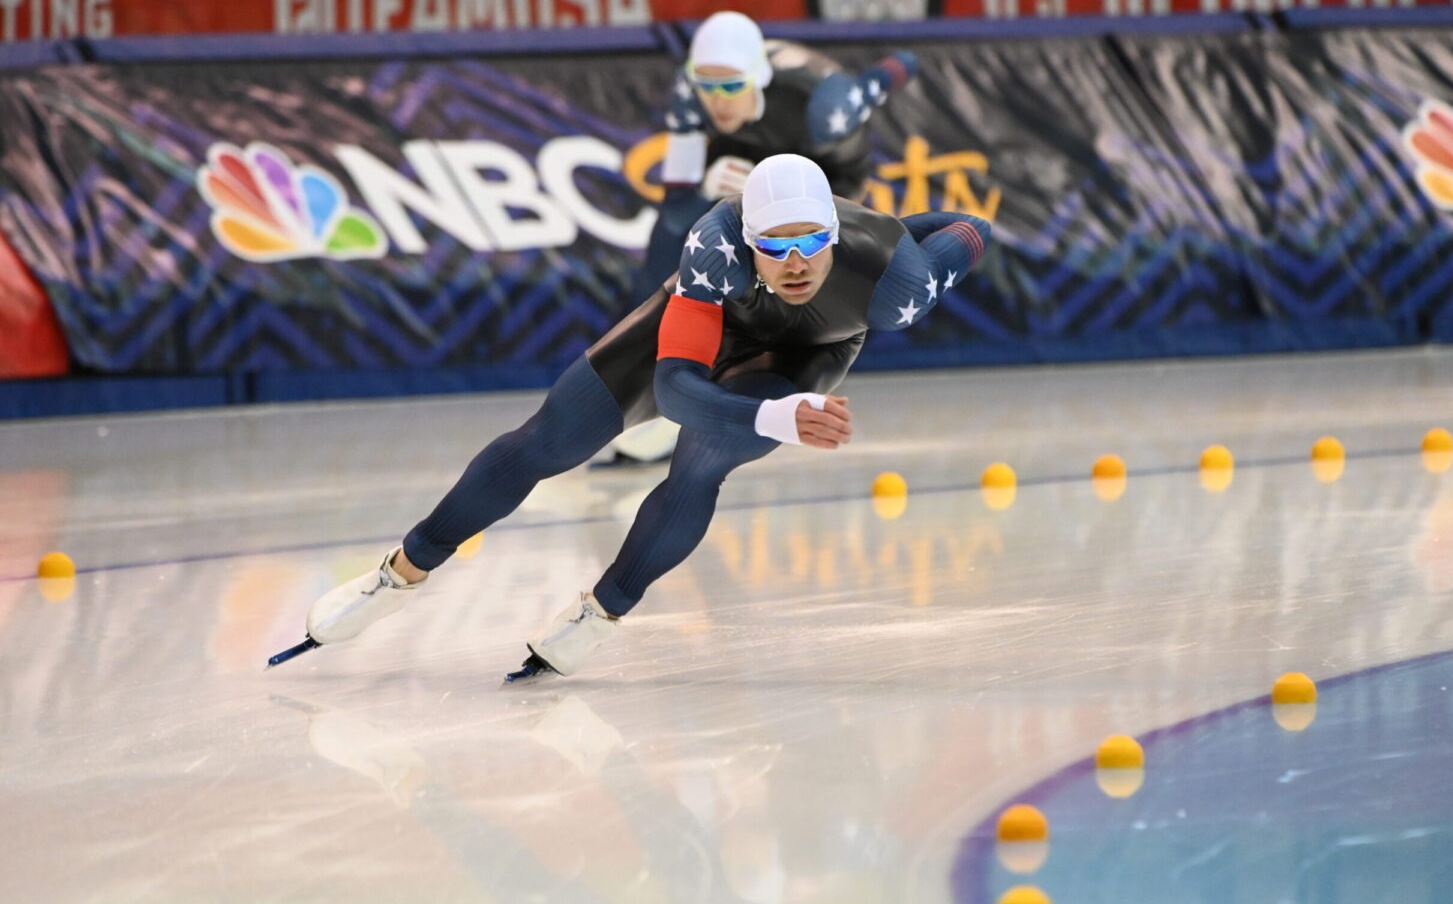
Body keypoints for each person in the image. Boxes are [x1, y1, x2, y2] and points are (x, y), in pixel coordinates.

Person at [295, 154, 990, 682]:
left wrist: (887, 237)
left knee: (703, 461)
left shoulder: (898, 287)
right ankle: (398, 574)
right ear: (748, 242)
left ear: (837, 233)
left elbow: (968, 228)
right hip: (710, 321)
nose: (796, 262)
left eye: (812, 241)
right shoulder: (715, 246)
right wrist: (780, 420)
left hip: (805, 353)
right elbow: (675, 388)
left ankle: (603, 609)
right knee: (549, 439)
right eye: (774, 246)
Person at [602, 10, 916, 465]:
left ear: (759, 78)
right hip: (743, 153)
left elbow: (892, 71)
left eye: (731, 86)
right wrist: (707, 183)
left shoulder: (827, 106)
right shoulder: (690, 97)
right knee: (673, 245)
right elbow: (676, 209)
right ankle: (661, 378)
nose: (717, 101)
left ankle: (753, 386)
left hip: (822, 169)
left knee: (792, 272)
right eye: (706, 86)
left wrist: (901, 62)